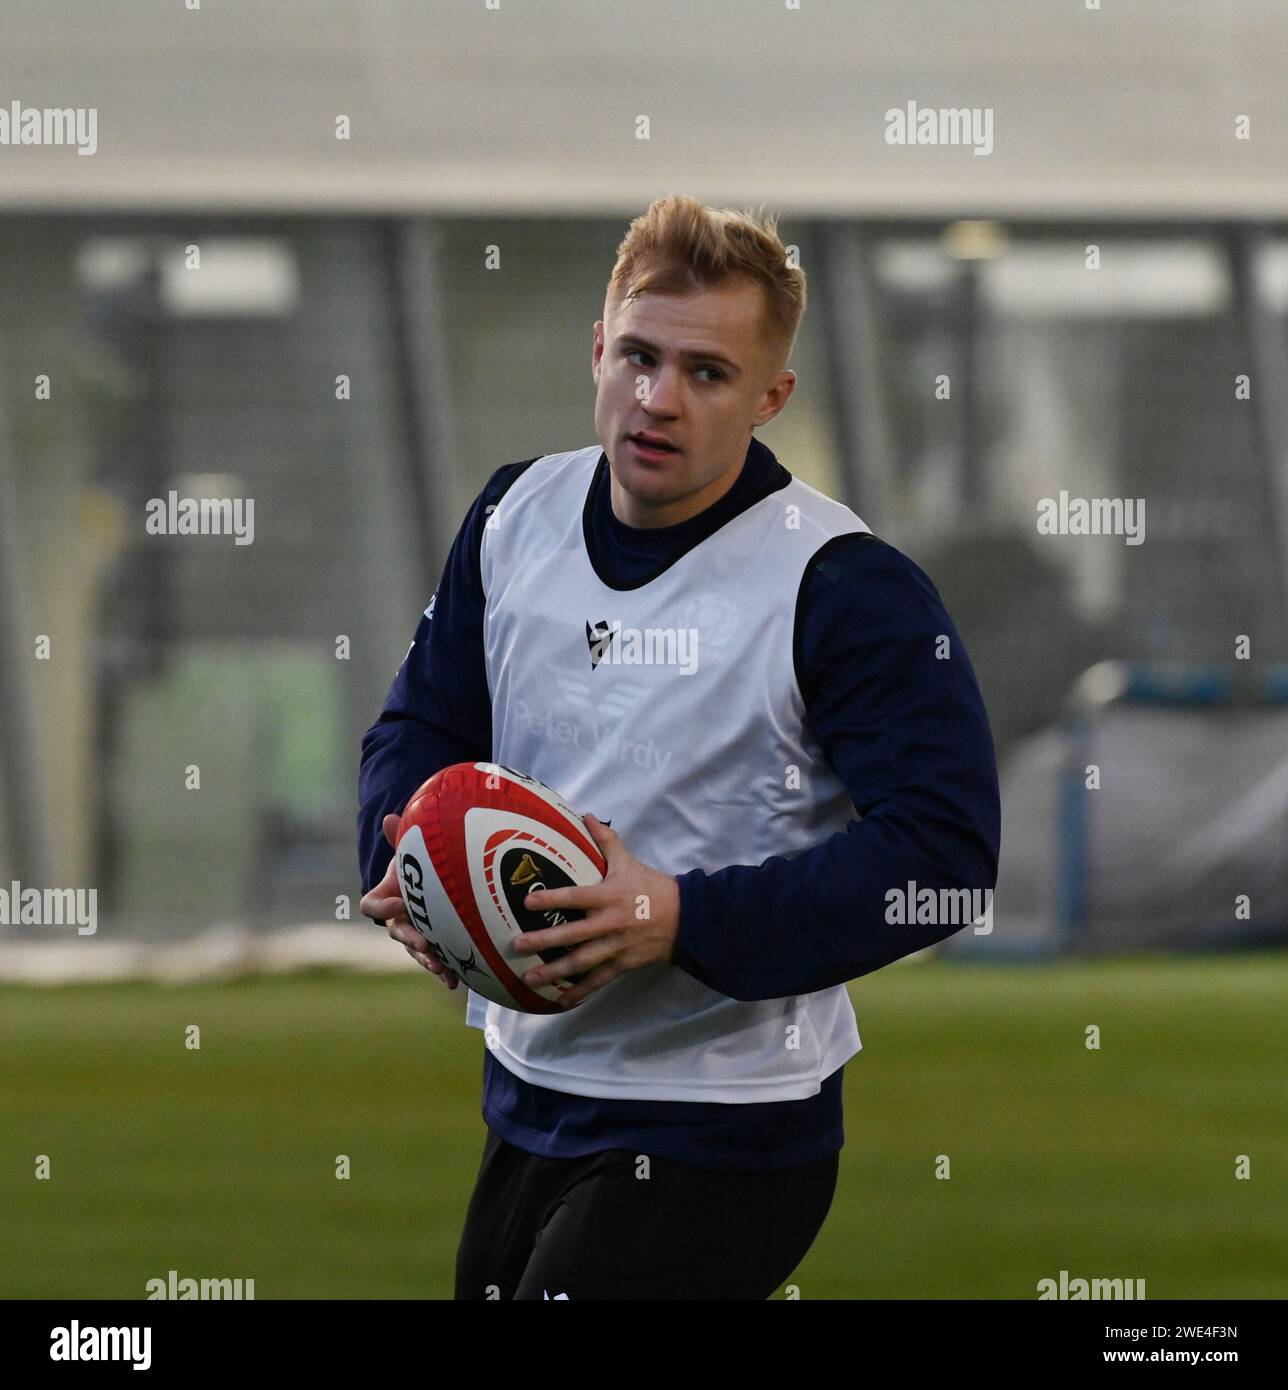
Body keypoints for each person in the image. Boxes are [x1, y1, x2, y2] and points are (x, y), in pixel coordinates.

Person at [358, 193, 1000, 1300]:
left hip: (728, 1125)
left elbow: (942, 862)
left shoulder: (844, 587)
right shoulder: (514, 515)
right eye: (639, 357)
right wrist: (410, 855)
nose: (658, 399)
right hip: (528, 1089)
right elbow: (420, 725)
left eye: (706, 374)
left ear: (770, 396)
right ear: (597, 350)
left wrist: (677, 916)